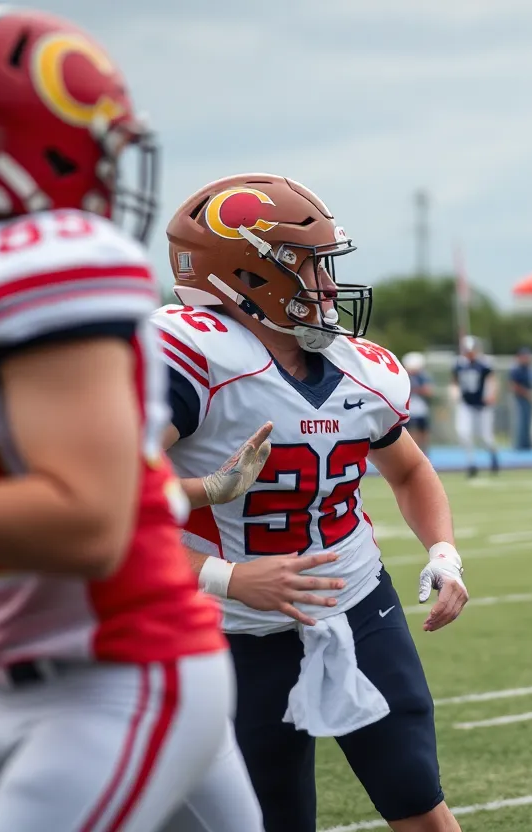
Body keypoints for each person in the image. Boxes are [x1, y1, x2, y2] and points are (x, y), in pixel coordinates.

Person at [0, 8, 265, 831]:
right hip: (15, 677)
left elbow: (87, 523)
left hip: (123, 671)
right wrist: (206, 487)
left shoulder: (30, 270)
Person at [157, 173, 469, 832]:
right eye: (308, 266)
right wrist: (229, 576)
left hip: (355, 601)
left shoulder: (361, 369)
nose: (327, 286)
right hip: (229, 625)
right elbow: (108, 508)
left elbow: (410, 471)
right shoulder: (192, 359)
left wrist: (443, 553)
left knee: (418, 800)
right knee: (270, 815)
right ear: (242, 276)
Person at [451, 335, 499, 477]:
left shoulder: (485, 363)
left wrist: (492, 395)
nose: (469, 353)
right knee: (463, 433)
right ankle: (471, 464)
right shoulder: (459, 364)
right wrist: (454, 392)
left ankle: (493, 455)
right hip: (466, 404)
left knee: (485, 437)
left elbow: (492, 380)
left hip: (483, 405)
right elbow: (454, 381)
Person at [403, 351, 435, 454]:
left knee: (423, 432)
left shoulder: (423, 376)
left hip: (421, 409)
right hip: (408, 409)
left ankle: (424, 453)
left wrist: (417, 390)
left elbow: (429, 391)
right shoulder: (404, 376)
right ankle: (412, 452)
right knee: (409, 432)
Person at [508, 346, 532, 451]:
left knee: (528, 422)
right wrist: (527, 394)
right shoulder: (516, 369)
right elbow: (514, 385)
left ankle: (527, 444)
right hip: (520, 398)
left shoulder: (529, 368)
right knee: (520, 422)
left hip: (528, 398)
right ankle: (520, 445)